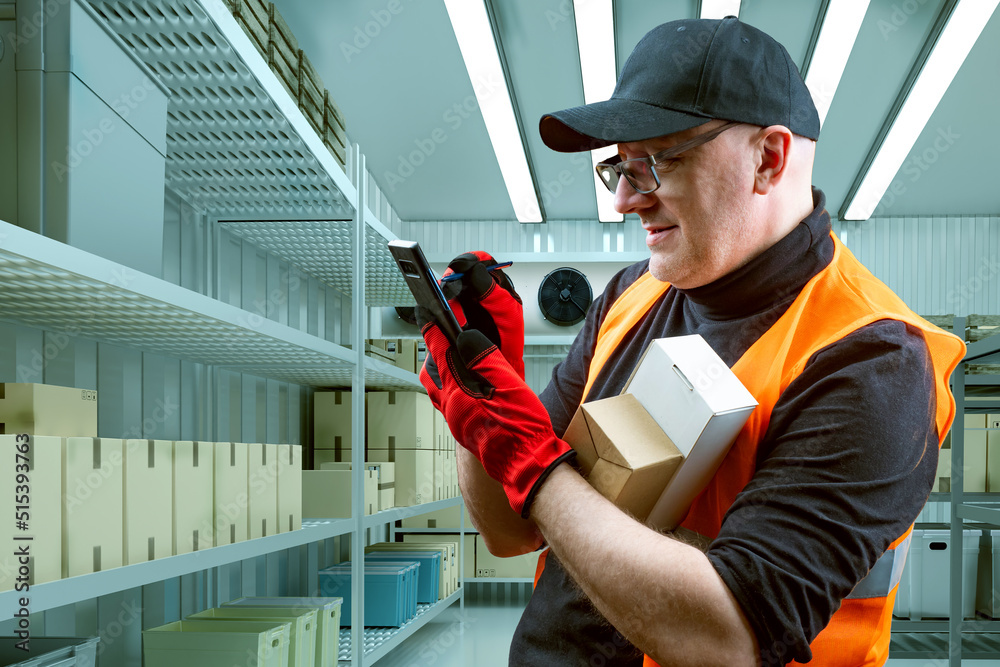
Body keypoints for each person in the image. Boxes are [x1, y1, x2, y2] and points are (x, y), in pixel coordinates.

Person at [417, 16, 966, 667]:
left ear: (769, 158)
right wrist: (479, 394)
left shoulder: (873, 360)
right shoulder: (629, 297)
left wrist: (535, 468)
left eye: (653, 162)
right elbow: (510, 532)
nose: (624, 198)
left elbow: (723, 638)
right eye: (618, 166)